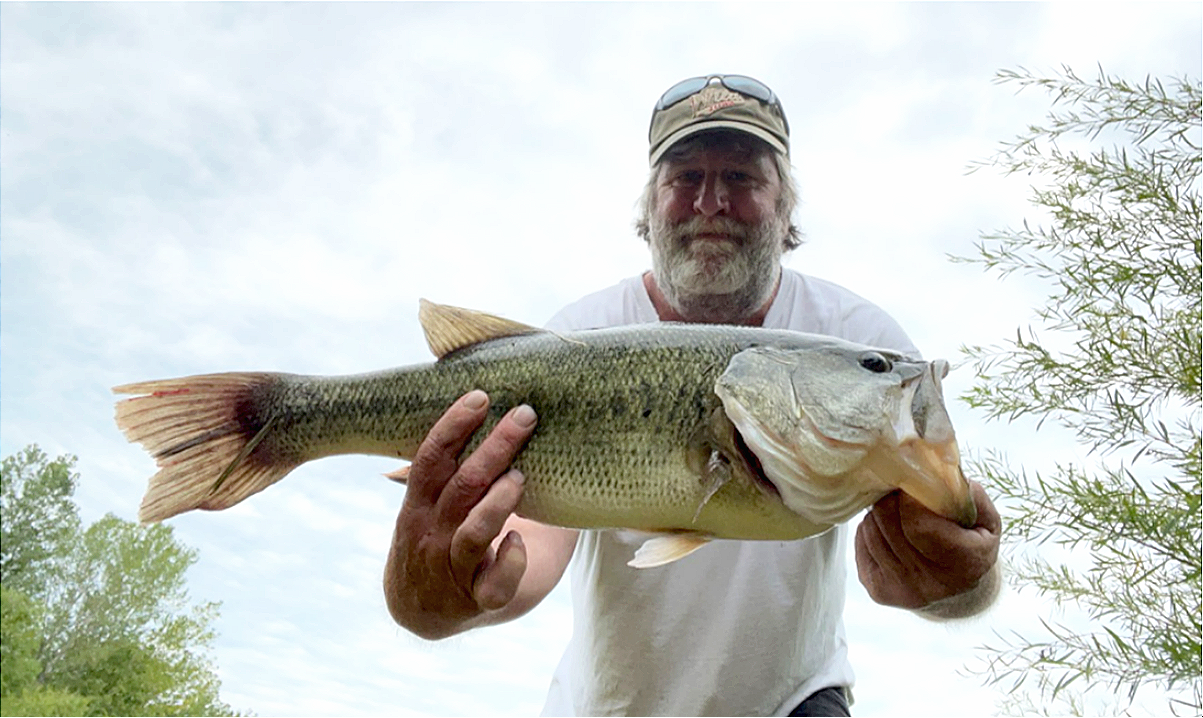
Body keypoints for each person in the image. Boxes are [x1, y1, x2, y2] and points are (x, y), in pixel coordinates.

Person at [382, 74, 1002, 717]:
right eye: (685, 178)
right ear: (649, 203)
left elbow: (939, 548)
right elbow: (530, 538)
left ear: (785, 205)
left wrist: (962, 577)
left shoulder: (857, 343)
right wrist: (438, 594)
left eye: (741, 177)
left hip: (795, 702)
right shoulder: (578, 336)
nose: (711, 202)